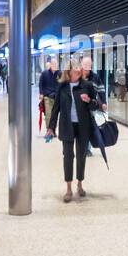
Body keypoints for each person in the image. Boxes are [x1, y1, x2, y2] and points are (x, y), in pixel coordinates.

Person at [46, 58, 107, 203]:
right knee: (68, 156)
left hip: (83, 126)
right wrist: (51, 127)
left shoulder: (86, 85)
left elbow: (95, 105)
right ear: (69, 70)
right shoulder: (62, 86)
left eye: (80, 67)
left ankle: (80, 184)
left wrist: (89, 101)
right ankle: (68, 188)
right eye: (76, 67)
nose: (79, 70)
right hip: (67, 126)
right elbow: (56, 109)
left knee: (81, 155)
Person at [37, 56, 59, 133]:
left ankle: (53, 130)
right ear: (50, 64)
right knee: (48, 115)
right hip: (47, 97)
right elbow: (41, 84)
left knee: (55, 116)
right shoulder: (44, 73)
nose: (54, 65)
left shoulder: (60, 74)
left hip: (57, 98)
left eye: (56, 64)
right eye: (53, 64)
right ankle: (49, 130)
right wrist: (41, 93)